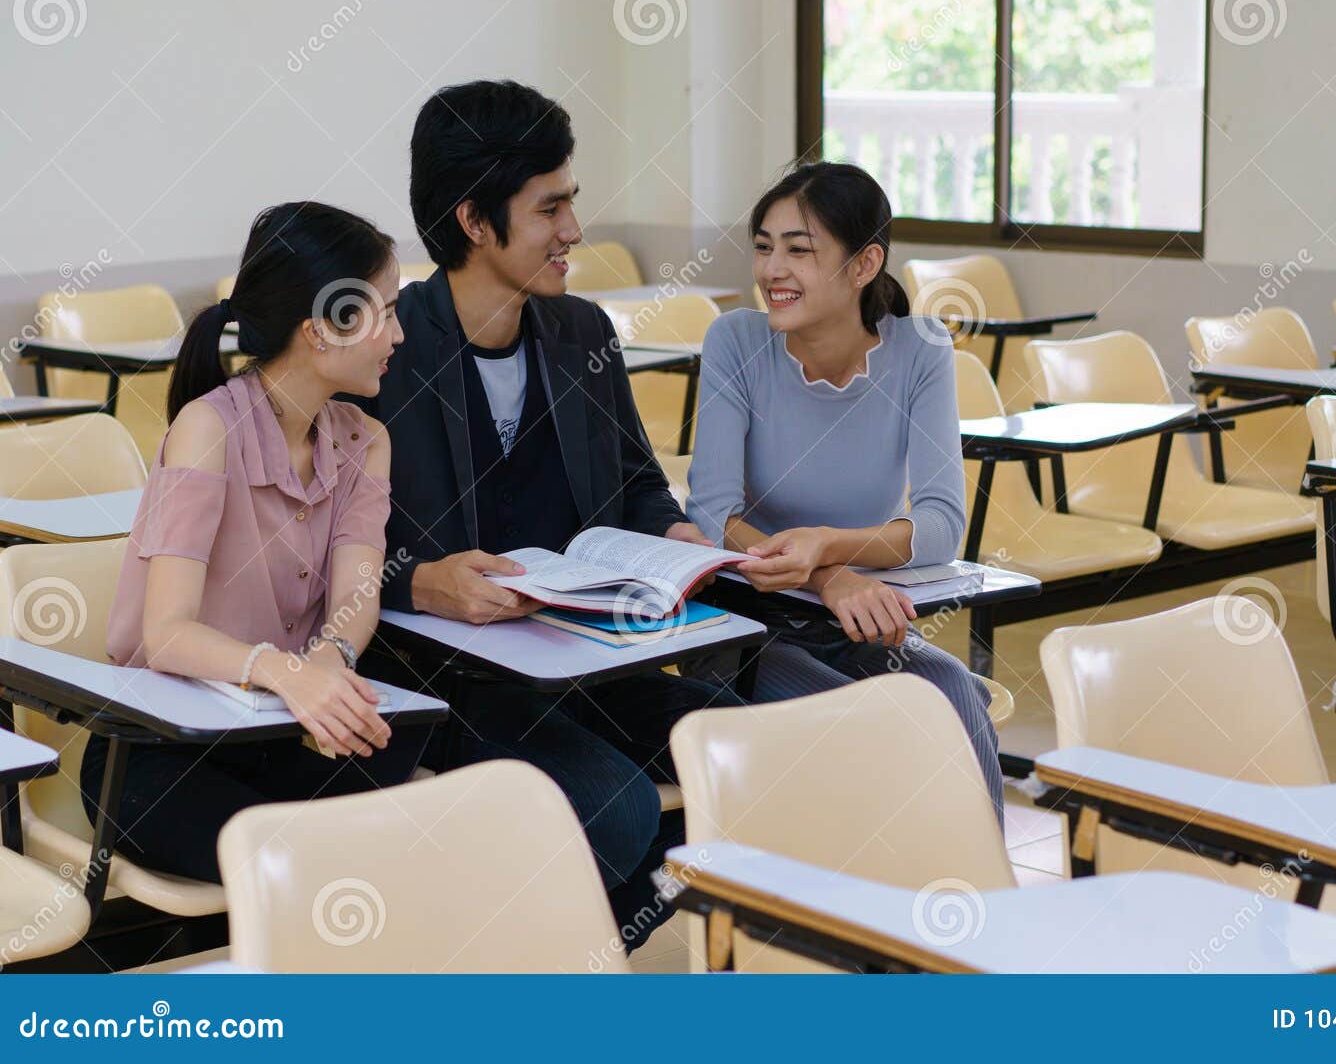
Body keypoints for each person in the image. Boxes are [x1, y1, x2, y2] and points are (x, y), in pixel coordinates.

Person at [357, 79, 738, 949]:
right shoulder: (387, 350)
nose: (574, 230)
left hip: (591, 659)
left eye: (571, 202)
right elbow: (320, 556)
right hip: (445, 680)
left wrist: (678, 538)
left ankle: (562, 960)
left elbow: (639, 483)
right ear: (474, 221)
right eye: (550, 208)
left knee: (749, 752)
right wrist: (418, 584)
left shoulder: (582, 334)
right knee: (615, 806)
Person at [84, 201, 421, 883]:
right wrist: (291, 673)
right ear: (321, 331)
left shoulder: (366, 439)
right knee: (309, 862)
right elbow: (169, 634)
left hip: (277, 730)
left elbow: (358, 595)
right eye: (385, 311)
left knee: (407, 757)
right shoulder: (206, 430)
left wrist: (329, 657)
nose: (400, 334)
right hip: (162, 748)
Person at [687, 161, 1003, 818]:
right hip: (747, 626)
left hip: (862, 620)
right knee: (868, 723)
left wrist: (828, 547)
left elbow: (943, 525)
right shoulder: (734, 341)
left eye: (799, 250)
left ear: (865, 264)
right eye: (765, 247)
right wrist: (830, 577)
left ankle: (985, 899)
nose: (773, 270)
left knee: (959, 698)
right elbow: (713, 516)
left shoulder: (920, 349)